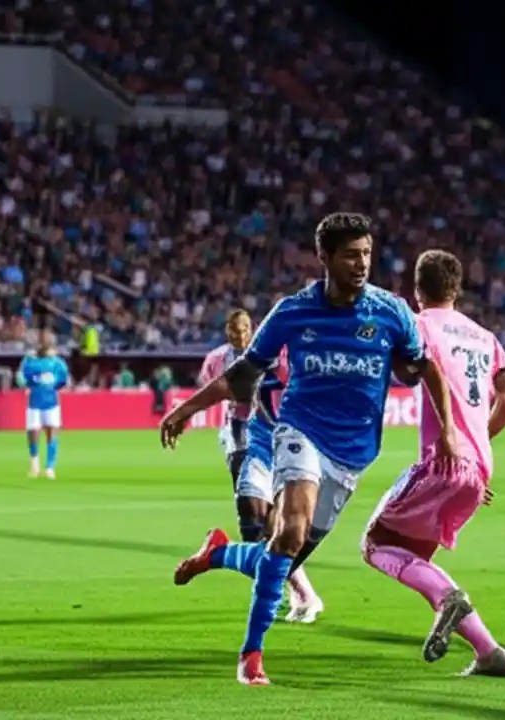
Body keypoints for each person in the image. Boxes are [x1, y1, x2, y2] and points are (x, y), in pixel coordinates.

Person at [159, 212, 458, 685]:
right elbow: (242, 377)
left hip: (353, 453)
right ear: (324, 257)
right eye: (350, 255)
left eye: (367, 254)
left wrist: (448, 430)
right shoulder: (292, 312)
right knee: (291, 531)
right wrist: (186, 408)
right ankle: (251, 656)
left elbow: (426, 370)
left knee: (282, 557)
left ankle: (217, 554)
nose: (361, 264)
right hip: (298, 431)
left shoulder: (392, 311)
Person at [362, 249, 505, 677]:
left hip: (442, 462)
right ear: (457, 289)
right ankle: (489, 652)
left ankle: (450, 600)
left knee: (375, 544)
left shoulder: (419, 325)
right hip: (478, 469)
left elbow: (411, 370)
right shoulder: (484, 336)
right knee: (416, 557)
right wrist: (478, 444)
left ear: (417, 290)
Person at [176, 348, 324, 624]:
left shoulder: (315, 358)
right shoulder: (261, 352)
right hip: (259, 444)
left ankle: (301, 593)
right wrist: (184, 411)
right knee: (252, 519)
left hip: (299, 448)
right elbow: (228, 385)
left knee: (281, 531)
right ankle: (294, 590)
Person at [197, 310, 254, 491]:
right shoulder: (216, 358)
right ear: (227, 331)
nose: (240, 336)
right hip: (234, 422)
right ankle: (248, 515)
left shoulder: (267, 354)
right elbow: (208, 388)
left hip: (265, 422)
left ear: (251, 329)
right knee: (239, 468)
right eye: (235, 331)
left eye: (244, 330)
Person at [17, 332, 70, 479]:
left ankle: (50, 467)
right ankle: (34, 464)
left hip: (51, 402)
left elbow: (63, 381)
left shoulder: (56, 363)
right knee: (33, 433)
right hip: (34, 403)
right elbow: (21, 379)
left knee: (51, 433)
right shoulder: (30, 361)